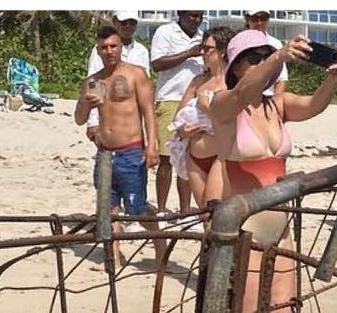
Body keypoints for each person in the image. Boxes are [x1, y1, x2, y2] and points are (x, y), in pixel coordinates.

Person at [208, 30, 337, 313]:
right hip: (246, 229)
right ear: (235, 65)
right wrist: (280, 54)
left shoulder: (276, 105)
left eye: (266, 55)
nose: (261, 63)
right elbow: (243, 91)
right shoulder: (222, 105)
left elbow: (314, 106)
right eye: (252, 57)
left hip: (279, 228)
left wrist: (332, 77)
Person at [77, 25, 163, 265]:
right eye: (103, 47)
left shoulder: (136, 74)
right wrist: (87, 103)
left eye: (113, 46)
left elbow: (148, 112)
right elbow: (79, 118)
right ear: (98, 50)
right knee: (108, 207)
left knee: (137, 208)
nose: (108, 51)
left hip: (131, 150)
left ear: (120, 47)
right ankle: (113, 257)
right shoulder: (93, 81)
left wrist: (152, 146)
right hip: (105, 153)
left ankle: (160, 244)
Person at [149, 10, 205, 212]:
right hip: (170, 99)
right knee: (166, 159)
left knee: (188, 159)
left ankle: (185, 211)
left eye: (200, 16)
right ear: (180, 14)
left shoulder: (203, 37)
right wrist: (189, 53)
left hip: (195, 103)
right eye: (192, 16)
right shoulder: (165, 32)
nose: (196, 20)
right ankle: (162, 210)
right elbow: (157, 64)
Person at [173, 25, 233, 210]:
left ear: (223, 52)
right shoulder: (198, 81)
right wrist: (182, 130)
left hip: (220, 156)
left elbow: (233, 122)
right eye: (202, 48)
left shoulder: (232, 83)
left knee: (216, 211)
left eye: (207, 49)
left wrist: (207, 108)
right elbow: (178, 116)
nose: (203, 53)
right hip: (194, 157)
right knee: (203, 213)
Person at [84, 11, 152, 145]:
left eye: (132, 23)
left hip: (133, 121)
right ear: (115, 22)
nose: (128, 26)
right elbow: (94, 84)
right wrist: (92, 121)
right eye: (124, 23)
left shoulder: (141, 51)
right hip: (107, 118)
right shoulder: (102, 49)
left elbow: (145, 89)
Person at [242, 10, 289, 95]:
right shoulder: (239, 42)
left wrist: (275, 103)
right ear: (248, 20)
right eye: (255, 19)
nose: (259, 23)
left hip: (268, 99)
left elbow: (282, 79)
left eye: (263, 18)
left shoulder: (276, 43)